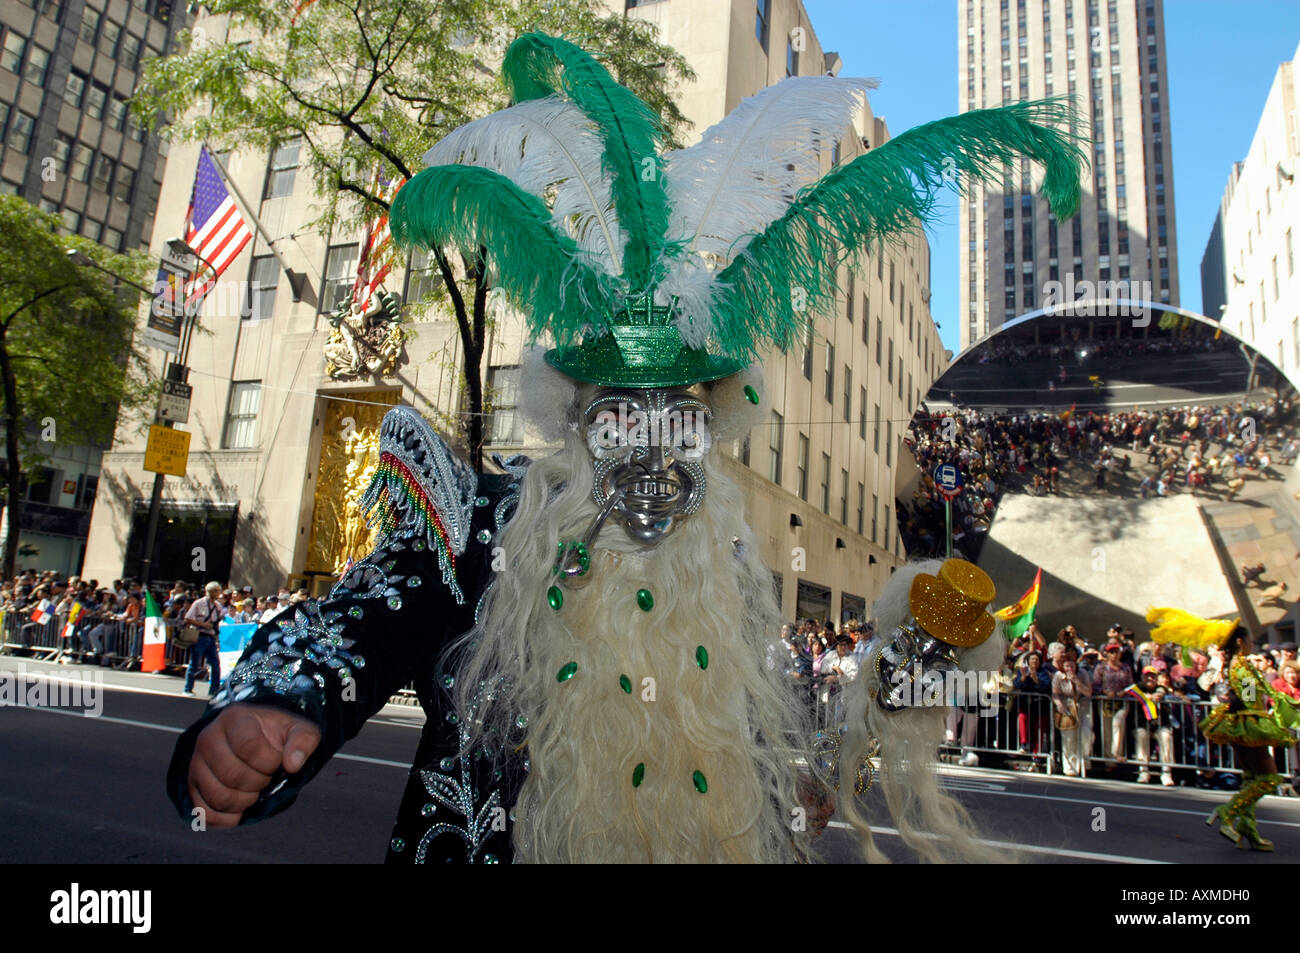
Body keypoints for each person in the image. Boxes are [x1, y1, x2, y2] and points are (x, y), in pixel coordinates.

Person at [161, 34, 1085, 864]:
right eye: (620, 416)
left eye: (678, 416)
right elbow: (347, 627)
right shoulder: (478, 529)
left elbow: (785, 785)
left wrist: (899, 685)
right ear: (575, 416)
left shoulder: (722, 566)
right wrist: (267, 712)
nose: (651, 451)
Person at [1148, 610, 1300, 851]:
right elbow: (1249, 698)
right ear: (1240, 642)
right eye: (1249, 640)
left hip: (1236, 724)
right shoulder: (1244, 666)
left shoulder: (1233, 665)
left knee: (1251, 778)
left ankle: (1248, 829)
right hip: (1249, 724)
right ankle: (1228, 812)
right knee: (1270, 779)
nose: (1252, 644)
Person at [1093, 644, 1133, 766]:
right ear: (1107, 654)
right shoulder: (1101, 667)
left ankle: (1116, 753)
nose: (1114, 655)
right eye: (1112, 652)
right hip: (1106, 702)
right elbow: (1095, 685)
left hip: (1121, 702)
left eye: (1116, 652)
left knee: (1118, 722)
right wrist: (1104, 692)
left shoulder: (1126, 668)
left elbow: (1131, 685)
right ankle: (1108, 761)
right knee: (1107, 729)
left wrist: (1124, 692)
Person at [182, 581, 224, 697]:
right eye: (216, 591)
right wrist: (202, 624)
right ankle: (188, 688)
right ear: (210, 591)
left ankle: (214, 689)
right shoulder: (198, 603)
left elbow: (217, 623)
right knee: (194, 663)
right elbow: (188, 618)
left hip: (210, 637)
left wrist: (216, 636)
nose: (218, 593)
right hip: (200, 636)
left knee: (215, 664)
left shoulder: (218, 606)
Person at [1052, 655, 1091, 777]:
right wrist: (1059, 704)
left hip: (1083, 706)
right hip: (1067, 707)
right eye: (1067, 666)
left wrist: (1076, 681)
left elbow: (1088, 692)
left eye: (1072, 666)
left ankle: (1083, 761)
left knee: (1086, 734)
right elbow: (1055, 694)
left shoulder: (1083, 674)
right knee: (1068, 737)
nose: (1069, 669)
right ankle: (1069, 767)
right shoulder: (1058, 676)